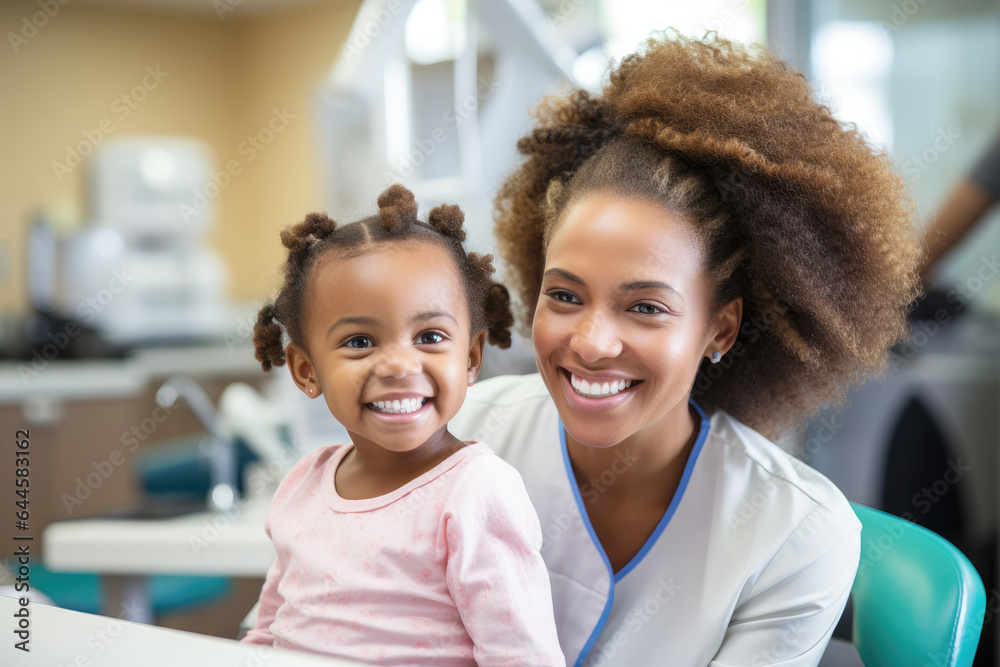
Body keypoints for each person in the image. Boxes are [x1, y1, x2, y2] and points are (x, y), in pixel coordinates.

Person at [446, 32, 924, 666]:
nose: (590, 342)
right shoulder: (456, 434)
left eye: (645, 307)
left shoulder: (795, 533)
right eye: (565, 296)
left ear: (721, 329)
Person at [241, 184, 565, 666]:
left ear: (471, 358)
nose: (397, 365)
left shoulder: (476, 491)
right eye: (359, 342)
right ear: (307, 370)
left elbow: (522, 657)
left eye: (429, 336)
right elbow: (266, 633)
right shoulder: (302, 485)